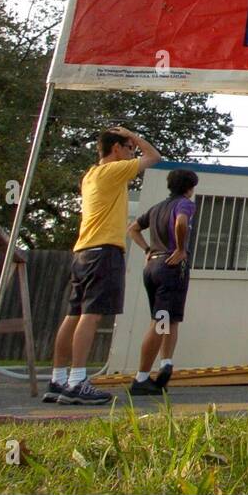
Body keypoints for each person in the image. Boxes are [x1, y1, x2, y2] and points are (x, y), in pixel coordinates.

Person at [48, 126, 161, 405]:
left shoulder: (89, 176)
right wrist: (134, 135)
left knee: (73, 314)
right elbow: (154, 156)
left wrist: (127, 139)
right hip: (104, 250)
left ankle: (58, 378)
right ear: (116, 149)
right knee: (92, 314)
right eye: (128, 147)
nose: (132, 151)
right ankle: (77, 381)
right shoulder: (113, 171)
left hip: (83, 250)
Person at [125, 167, 198, 396]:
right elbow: (181, 223)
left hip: (152, 265)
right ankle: (141, 377)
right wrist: (179, 248)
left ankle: (165, 363)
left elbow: (133, 228)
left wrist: (147, 248)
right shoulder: (184, 204)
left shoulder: (157, 208)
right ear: (189, 188)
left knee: (169, 319)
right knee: (161, 320)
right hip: (170, 266)